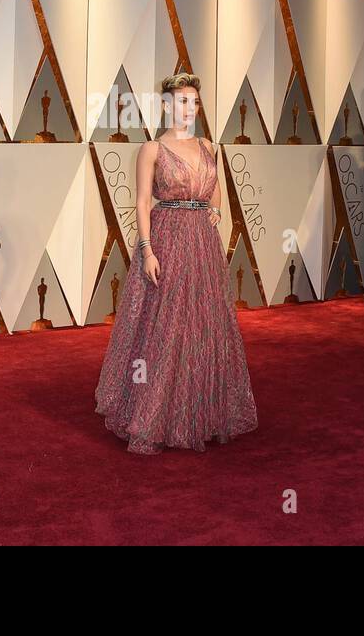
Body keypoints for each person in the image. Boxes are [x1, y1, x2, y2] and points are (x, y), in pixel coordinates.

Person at [94, 72, 258, 453]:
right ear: (167, 105)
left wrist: (216, 212)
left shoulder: (207, 146)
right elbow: (141, 202)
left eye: (195, 102)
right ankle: (154, 413)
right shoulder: (152, 148)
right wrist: (147, 250)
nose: (190, 109)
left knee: (203, 326)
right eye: (183, 102)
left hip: (202, 243)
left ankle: (200, 410)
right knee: (164, 328)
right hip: (167, 240)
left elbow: (216, 191)